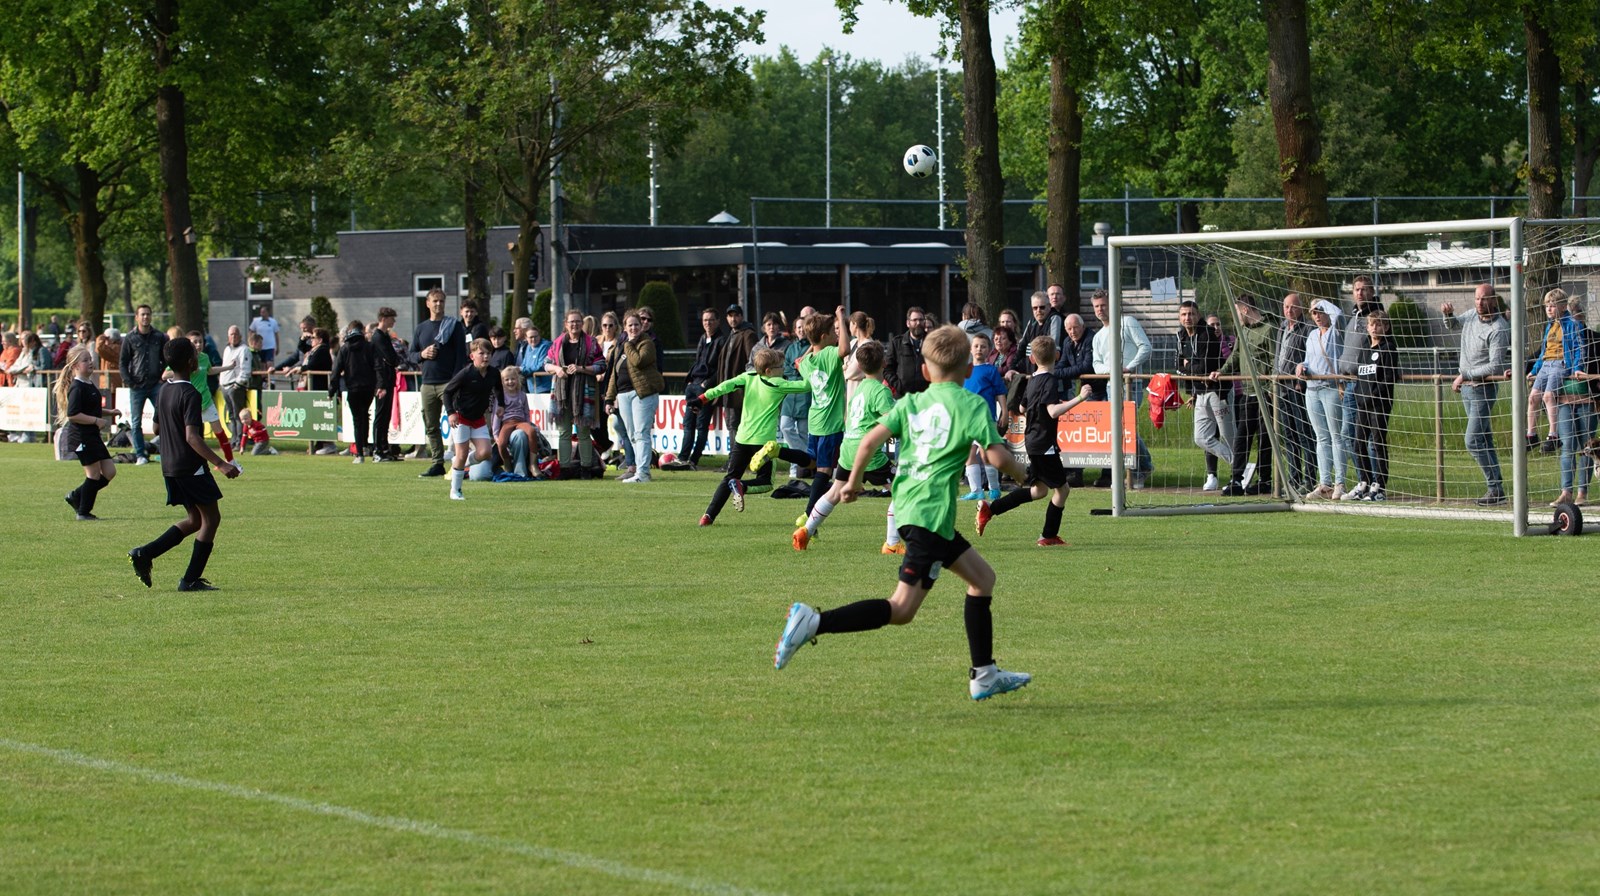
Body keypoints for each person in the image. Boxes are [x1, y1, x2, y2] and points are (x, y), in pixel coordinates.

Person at [772, 324, 1034, 702]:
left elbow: (868, 440)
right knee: (902, 608)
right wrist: (1027, 474)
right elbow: (996, 457)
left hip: (918, 512)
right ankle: (813, 622)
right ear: (967, 370)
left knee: (983, 579)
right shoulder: (972, 404)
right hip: (928, 517)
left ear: (925, 371)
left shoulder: (911, 402)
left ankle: (984, 673)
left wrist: (850, 483)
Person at [127, 337, 242, 592]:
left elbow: (156, 426)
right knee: (211, 519)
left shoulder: (165, 390)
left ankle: (144, 553)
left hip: (169, 465)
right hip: (190, 466)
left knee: (195, 520)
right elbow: (192, 437)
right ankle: (189, 580)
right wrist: (221, 464)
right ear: (192, 362)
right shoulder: (190, 393)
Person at [976, 337, 1094, 545]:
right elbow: (1053, 411)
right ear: (1056, 356)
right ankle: (1048, 536)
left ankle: (990, 509)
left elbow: (1022, 409)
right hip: (1043, 444)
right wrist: (1080, 398)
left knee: (1039, 491)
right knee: (1063, 489)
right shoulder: (1049, 380)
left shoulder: (1032, 380)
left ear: (1031, 358)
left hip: (1033, 441)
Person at [792, 340, 899, 552]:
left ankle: (806, 530)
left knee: (834, 492)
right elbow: (891, 424)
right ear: (884, 363)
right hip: (868, 453)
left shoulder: (859, 389)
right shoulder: (881, 391)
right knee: (902, 492)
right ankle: (893, 544)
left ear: (859, 365)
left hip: (848, 448)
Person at [689, 347, 810, 526]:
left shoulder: (748, 377)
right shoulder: (778, 385)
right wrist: (803, 366)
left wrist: (701, 399)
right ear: (769, 371)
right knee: (766, 482)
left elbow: (723, 387)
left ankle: (707, 516)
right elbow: (807, 385)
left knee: (729, 477)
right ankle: (742, 486)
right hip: (764, 444)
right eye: (780, 367)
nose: (783, 370)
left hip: (742, 439)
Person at [1442, 285, 1512, 505]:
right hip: (1467, 390)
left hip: (1482, 389)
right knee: (1483, 439)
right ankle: (1496, 490)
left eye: (1484, 299)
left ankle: (1494, 487)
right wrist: (1447, 315)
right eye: (1477, 299)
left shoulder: (1499, 328)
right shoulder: (1472, 315)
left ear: (1493, 300)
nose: (1479, 303)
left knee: (1472, 441)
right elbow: (1453, 325)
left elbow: (1494, 366)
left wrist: (1463, 374)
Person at [1089, 289, 1153, 487]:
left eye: (1104, 305)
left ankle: (1141, 468)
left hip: (1131, 383)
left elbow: (1146, 347)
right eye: (1097, 306)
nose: (1100, 309)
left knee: (1126, 427)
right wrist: (1110, 370)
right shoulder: (1098, 336)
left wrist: (1128, 367)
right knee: (1119, 429)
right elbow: (1096, 364)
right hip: (1110, 386)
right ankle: (1135, 469)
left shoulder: (1128, 322)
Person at [1215, 296, 1276, 496]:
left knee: (1265, 439)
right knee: (1242, 437)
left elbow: (1275, 361)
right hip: (1248, 393)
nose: (1235, 317)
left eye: (1236, 312)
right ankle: (1236, 479)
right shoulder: (1243, 331)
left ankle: (1264, 479)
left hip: (1265, 394)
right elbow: (1236, 356)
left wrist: (1271, 390)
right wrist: (1222, 371)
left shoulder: (1269, 329)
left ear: (1245, 310)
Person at [57, 345, 122, 521]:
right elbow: (73, 415)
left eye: (89, 359)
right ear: (75, 366)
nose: (90, 362)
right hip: (81, 437)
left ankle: (76, 495)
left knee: (109, 472)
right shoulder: (77, 387)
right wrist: (96, 421)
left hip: (92, 436)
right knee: (93, 475)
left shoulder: (88, 383)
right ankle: (83, 512)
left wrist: (109, 412)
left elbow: (91, 409)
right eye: (85, 360)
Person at [1175, 299, 1234, 491]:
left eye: (1191, 314)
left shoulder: (1206, 335)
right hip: (1200, 393)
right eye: (1184, 314)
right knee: (1201, 437)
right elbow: (1177, 365)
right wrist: (1190, 387)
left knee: (1227, 434)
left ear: (1198, 315)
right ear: (1179, 317)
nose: (1187, 318)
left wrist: (1187, 367)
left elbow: (1204, 367)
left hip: (1217, 392)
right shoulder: (1181, 336)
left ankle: (1238, 476)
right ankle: (1240, 465)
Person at [410, 288, 467, 477]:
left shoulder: (454, 326)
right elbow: (411, 355)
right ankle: (437, 463)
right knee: (431, 425)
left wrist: (455, 381)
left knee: (458, 422)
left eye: (441, 301)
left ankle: (462, 461)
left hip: (448, 383)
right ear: (427, 303)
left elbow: (461, 356)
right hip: (427, 383)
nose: (438, 304)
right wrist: (422, 354)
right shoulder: (421, 328)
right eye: (434, 301)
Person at [1344, 309, 1399, 502]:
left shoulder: (1389, 348)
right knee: (1358, 443)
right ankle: (1364, 483)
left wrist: (1373, 395)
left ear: (1386, 327)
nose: (1374, 328)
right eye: (1372, 324)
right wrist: (1360, 395)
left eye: (1378, 325)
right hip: (1363, 405)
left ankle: (1380, 486)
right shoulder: (1365, 348)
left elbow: (1389, 379)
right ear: (1367, 327)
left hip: (1379, 405)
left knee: (1377, 443)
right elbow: (1360, 377)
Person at [545, 309, 606, 477]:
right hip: (561, 394)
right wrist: (557, 369)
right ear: (566, 324)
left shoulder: (591, 343)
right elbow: (546, 363)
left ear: (582, 323)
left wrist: (581, 369)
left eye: (578, 321)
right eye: (571, 321)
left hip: (584, 393)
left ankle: (586, 468)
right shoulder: (557, 343)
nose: (575, 324)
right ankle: (564, 468)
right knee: (564, 432)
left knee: (583, 432)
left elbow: (602, 365)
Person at [607, 311, 666, 483]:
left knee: (641, 433)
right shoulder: (622, 345)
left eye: (636, 325)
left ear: (641, 327)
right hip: (623, 395)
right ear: (624, 327)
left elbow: (639, 361)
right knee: (632, 435)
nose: (633, 328)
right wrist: (609, 398)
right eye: (630, 325)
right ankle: (640, 471)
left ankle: (643, 473)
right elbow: (614, 373)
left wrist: (629, 345)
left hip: (643, 394)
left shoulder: (646, 343)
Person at [442, 338, 503, 500]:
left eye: (488, 353)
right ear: (472, 356)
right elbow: (447, 393)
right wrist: (451, 413)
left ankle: (458, 462)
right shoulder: (466, 373)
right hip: (461, 417)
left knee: (485, 452)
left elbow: (498, 388)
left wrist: (501, 404)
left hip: (478, 418)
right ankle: (455, 491)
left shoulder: (494, 373)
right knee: (461, 454)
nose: (486, 357)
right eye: (481, 353)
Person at [664, 308, 725, 471]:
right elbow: (698, 361)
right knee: (688, 424)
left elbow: (722, 368)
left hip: (706, 388)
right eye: (705, 320)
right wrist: (690, 381)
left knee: (701, 425)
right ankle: (683, 458)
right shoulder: (702, 338)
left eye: (711, 320)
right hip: (693, 385)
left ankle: (694, 459)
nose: (708, 323)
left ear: (718, 321)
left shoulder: (721, 340)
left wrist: (707, 384)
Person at [1336, 276, 1383, 484]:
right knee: (1348, 434)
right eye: (1356, 289)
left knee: (1371, 438)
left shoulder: (1376, 317)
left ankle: (1375, 483)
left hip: (1366, 385)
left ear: (1372, 292)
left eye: (1364, 290)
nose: (1360, 293)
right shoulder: (1352, 316)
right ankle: (1362, 480)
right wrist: (1340, 379)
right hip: (1348, 383)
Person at [1297, 300, 1345, 500]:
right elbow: (1309, 359)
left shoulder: (1335, 332)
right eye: (1313, 313)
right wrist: (1301, 366)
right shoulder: (1311, 335)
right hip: (1312, 390)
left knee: (1336, 436)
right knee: (1321, 437)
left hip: (1331, 388)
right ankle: (1324, 482)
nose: (1317, 316)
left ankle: (1340, 482)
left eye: (1320, 312)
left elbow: (1339, 314)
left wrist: (1320, 302)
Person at [1526, 287, 1583, 454]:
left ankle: (1553, 435)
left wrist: (1577, 368)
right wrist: (1535, 369)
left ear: (1563, 306)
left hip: (1560, 363)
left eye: (1552, 305)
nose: (1549, 309)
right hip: (1546, 364)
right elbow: (1544, 351)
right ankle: (1531, 434)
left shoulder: (1572, 324)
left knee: (1548, 396)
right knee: (1533, 397)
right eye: (1546, 306)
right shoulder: (1549, 327)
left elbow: (1580, 348)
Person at [1274, 292, 1315, 493]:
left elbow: (1311, 356)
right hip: (1281, 388)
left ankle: (1310, 479)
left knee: (1304, 433)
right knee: (1289, 435)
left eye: (1293, 307)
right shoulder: (1281, 327)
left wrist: (1303, 373)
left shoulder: (1308, 328)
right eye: (1286, 307)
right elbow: (1278, 355)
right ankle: (1293, 478)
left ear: (1301, 308)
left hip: (1298, 388)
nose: (1289, 310)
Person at [960, 331, 1008, 501]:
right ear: (970, 349)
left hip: (985, 419)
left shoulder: (991, 370)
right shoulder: (965, 371)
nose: (979, 349)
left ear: (989, 350)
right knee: (968, 453)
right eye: (976, 346)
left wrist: (1004, 410)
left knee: (985, 454)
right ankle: (976, 490)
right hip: (968, 420)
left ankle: (994, 488)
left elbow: (1000, 392)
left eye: (983, 346)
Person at [118, 305, 168, 465]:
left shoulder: (159, 337)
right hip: (137, 386)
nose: (145, 317)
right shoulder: (130, 338)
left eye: (148, 314)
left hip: (156, 384)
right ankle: (140, 454)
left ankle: (166, 451)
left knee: (164, 418)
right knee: (135, 422)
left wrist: (163, 377)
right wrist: (129, 381)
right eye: (143, 314)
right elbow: (123, 362)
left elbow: (166, 358)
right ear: (137, 317)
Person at [184, 330, 236, 465]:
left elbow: (210, 370)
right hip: (190, 404)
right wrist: (187, 370)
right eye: (194, 342)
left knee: (220, 432)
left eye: (200, 341)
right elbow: (165, 375)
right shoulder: (182, 359)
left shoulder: (204, 357)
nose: (198, 344)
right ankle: (192, 461)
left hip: (206, 401)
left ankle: (231, 461)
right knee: (193, 435)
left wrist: (229, 367)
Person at [330, 321, 377, 463]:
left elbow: (336, 370)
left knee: (357, 420)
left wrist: (332, 390)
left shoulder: (345, 349)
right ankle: (366, 446)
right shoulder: (369, 347)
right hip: (368, 388)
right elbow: (377, 366)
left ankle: (359, 453)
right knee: (365, 416)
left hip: (353, 388)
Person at [714, 305, 760, 444]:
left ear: (741, 317)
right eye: (730, 316)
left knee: (735, 425)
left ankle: (735, 460)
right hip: (730, 389)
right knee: (731, 424)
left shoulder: (748, 334)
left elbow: (753, 362)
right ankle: (735, 459)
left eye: (736, 315)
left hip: (740, 391)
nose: (733, 319)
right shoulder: (733, 334)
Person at [369, 307, 403, 461]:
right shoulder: (378, 337)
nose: (394, 321)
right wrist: (380, 384)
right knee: (381, 415)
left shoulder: (384, 335)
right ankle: (378, 449)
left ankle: (384, 447)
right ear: (383, 318)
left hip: (387, 379)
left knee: (386, 415)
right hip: (382, 381)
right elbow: (388, 357)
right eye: (391, 318)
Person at [494, 368, 541, 477]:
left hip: (520, 421)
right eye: (507, 380)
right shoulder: (501, 397)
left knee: (532, 431)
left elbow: (526, 412)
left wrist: (528, 424)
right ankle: (507, 463)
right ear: (502, 382)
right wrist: (496, 434)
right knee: (501, 443)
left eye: (513, 379)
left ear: (518, 379)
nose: (510, 382)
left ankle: (533, 464)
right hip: (507, 423)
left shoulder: (522, 395)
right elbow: (496, 417)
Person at [884, 306, 930, 396]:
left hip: (926, 396)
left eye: (921, 320)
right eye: (915, 320)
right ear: (908, 323)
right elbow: (887, 368)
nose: (918, 323)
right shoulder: (897, 343)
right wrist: (898, 385)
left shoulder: (932, 341)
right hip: (903, 397)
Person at [218, 325, 252, 446]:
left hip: (235, 386)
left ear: (240, 336)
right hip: (225, 386)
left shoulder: (244, 349)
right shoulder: (227, 349)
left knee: (239, 416)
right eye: (231, 334)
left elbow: (245, 369)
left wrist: (238, 384)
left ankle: (240, 441)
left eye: (235, 334)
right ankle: (234, 440)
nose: (233, 337)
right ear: (228, 336)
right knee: (231, 415)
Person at [515, 318, 552, 395]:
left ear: (539, 335)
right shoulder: (528, 347)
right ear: (526, 338)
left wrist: (521, 369)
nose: (533, 339)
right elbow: (524, 364)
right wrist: (519, 369)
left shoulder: (545, 346)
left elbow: (541, 365)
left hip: (545, 388)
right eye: (531, 337)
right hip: (532, 387)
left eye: (536, 336)